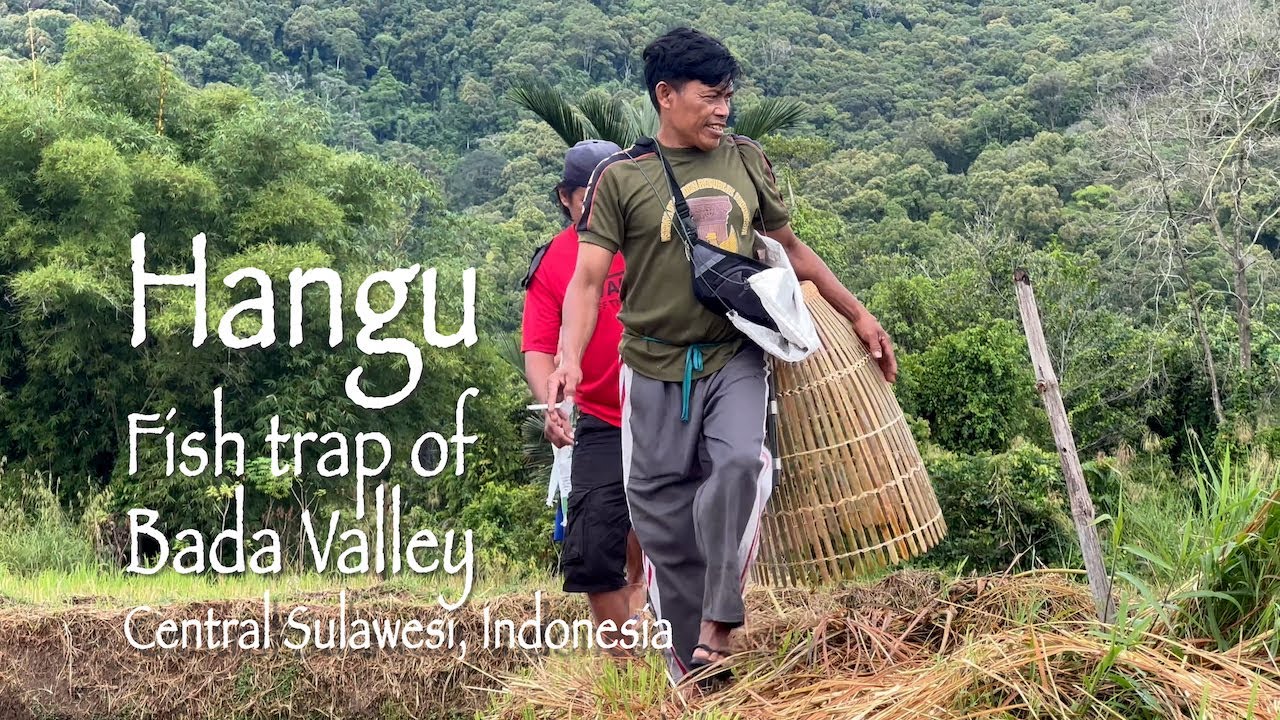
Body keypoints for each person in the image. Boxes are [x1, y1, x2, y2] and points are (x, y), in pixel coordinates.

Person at [546, 28, 898, 687]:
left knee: (739, 464)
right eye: (710, 97)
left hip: (733, 354)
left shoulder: (745, 161)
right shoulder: (621, 179)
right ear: (666, 95)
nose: (722, 110)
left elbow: (792, 248)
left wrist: (857, 312)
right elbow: (587, 282)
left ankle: (720, 621)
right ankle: (698, 675)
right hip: (651, 368)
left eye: (728, 97)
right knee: (661, 523)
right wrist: (568, 361)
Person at [521, 139, 645, 654]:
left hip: (669, 409)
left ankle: (670, 646)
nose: (600, 206)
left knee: (667, 538)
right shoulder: (554, 260)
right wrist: (552, 405)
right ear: (565, 198)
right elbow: (537, 349)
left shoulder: (655, 236)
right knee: (592, 551)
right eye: (587, 198)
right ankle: (626, 669)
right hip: (600, 418)